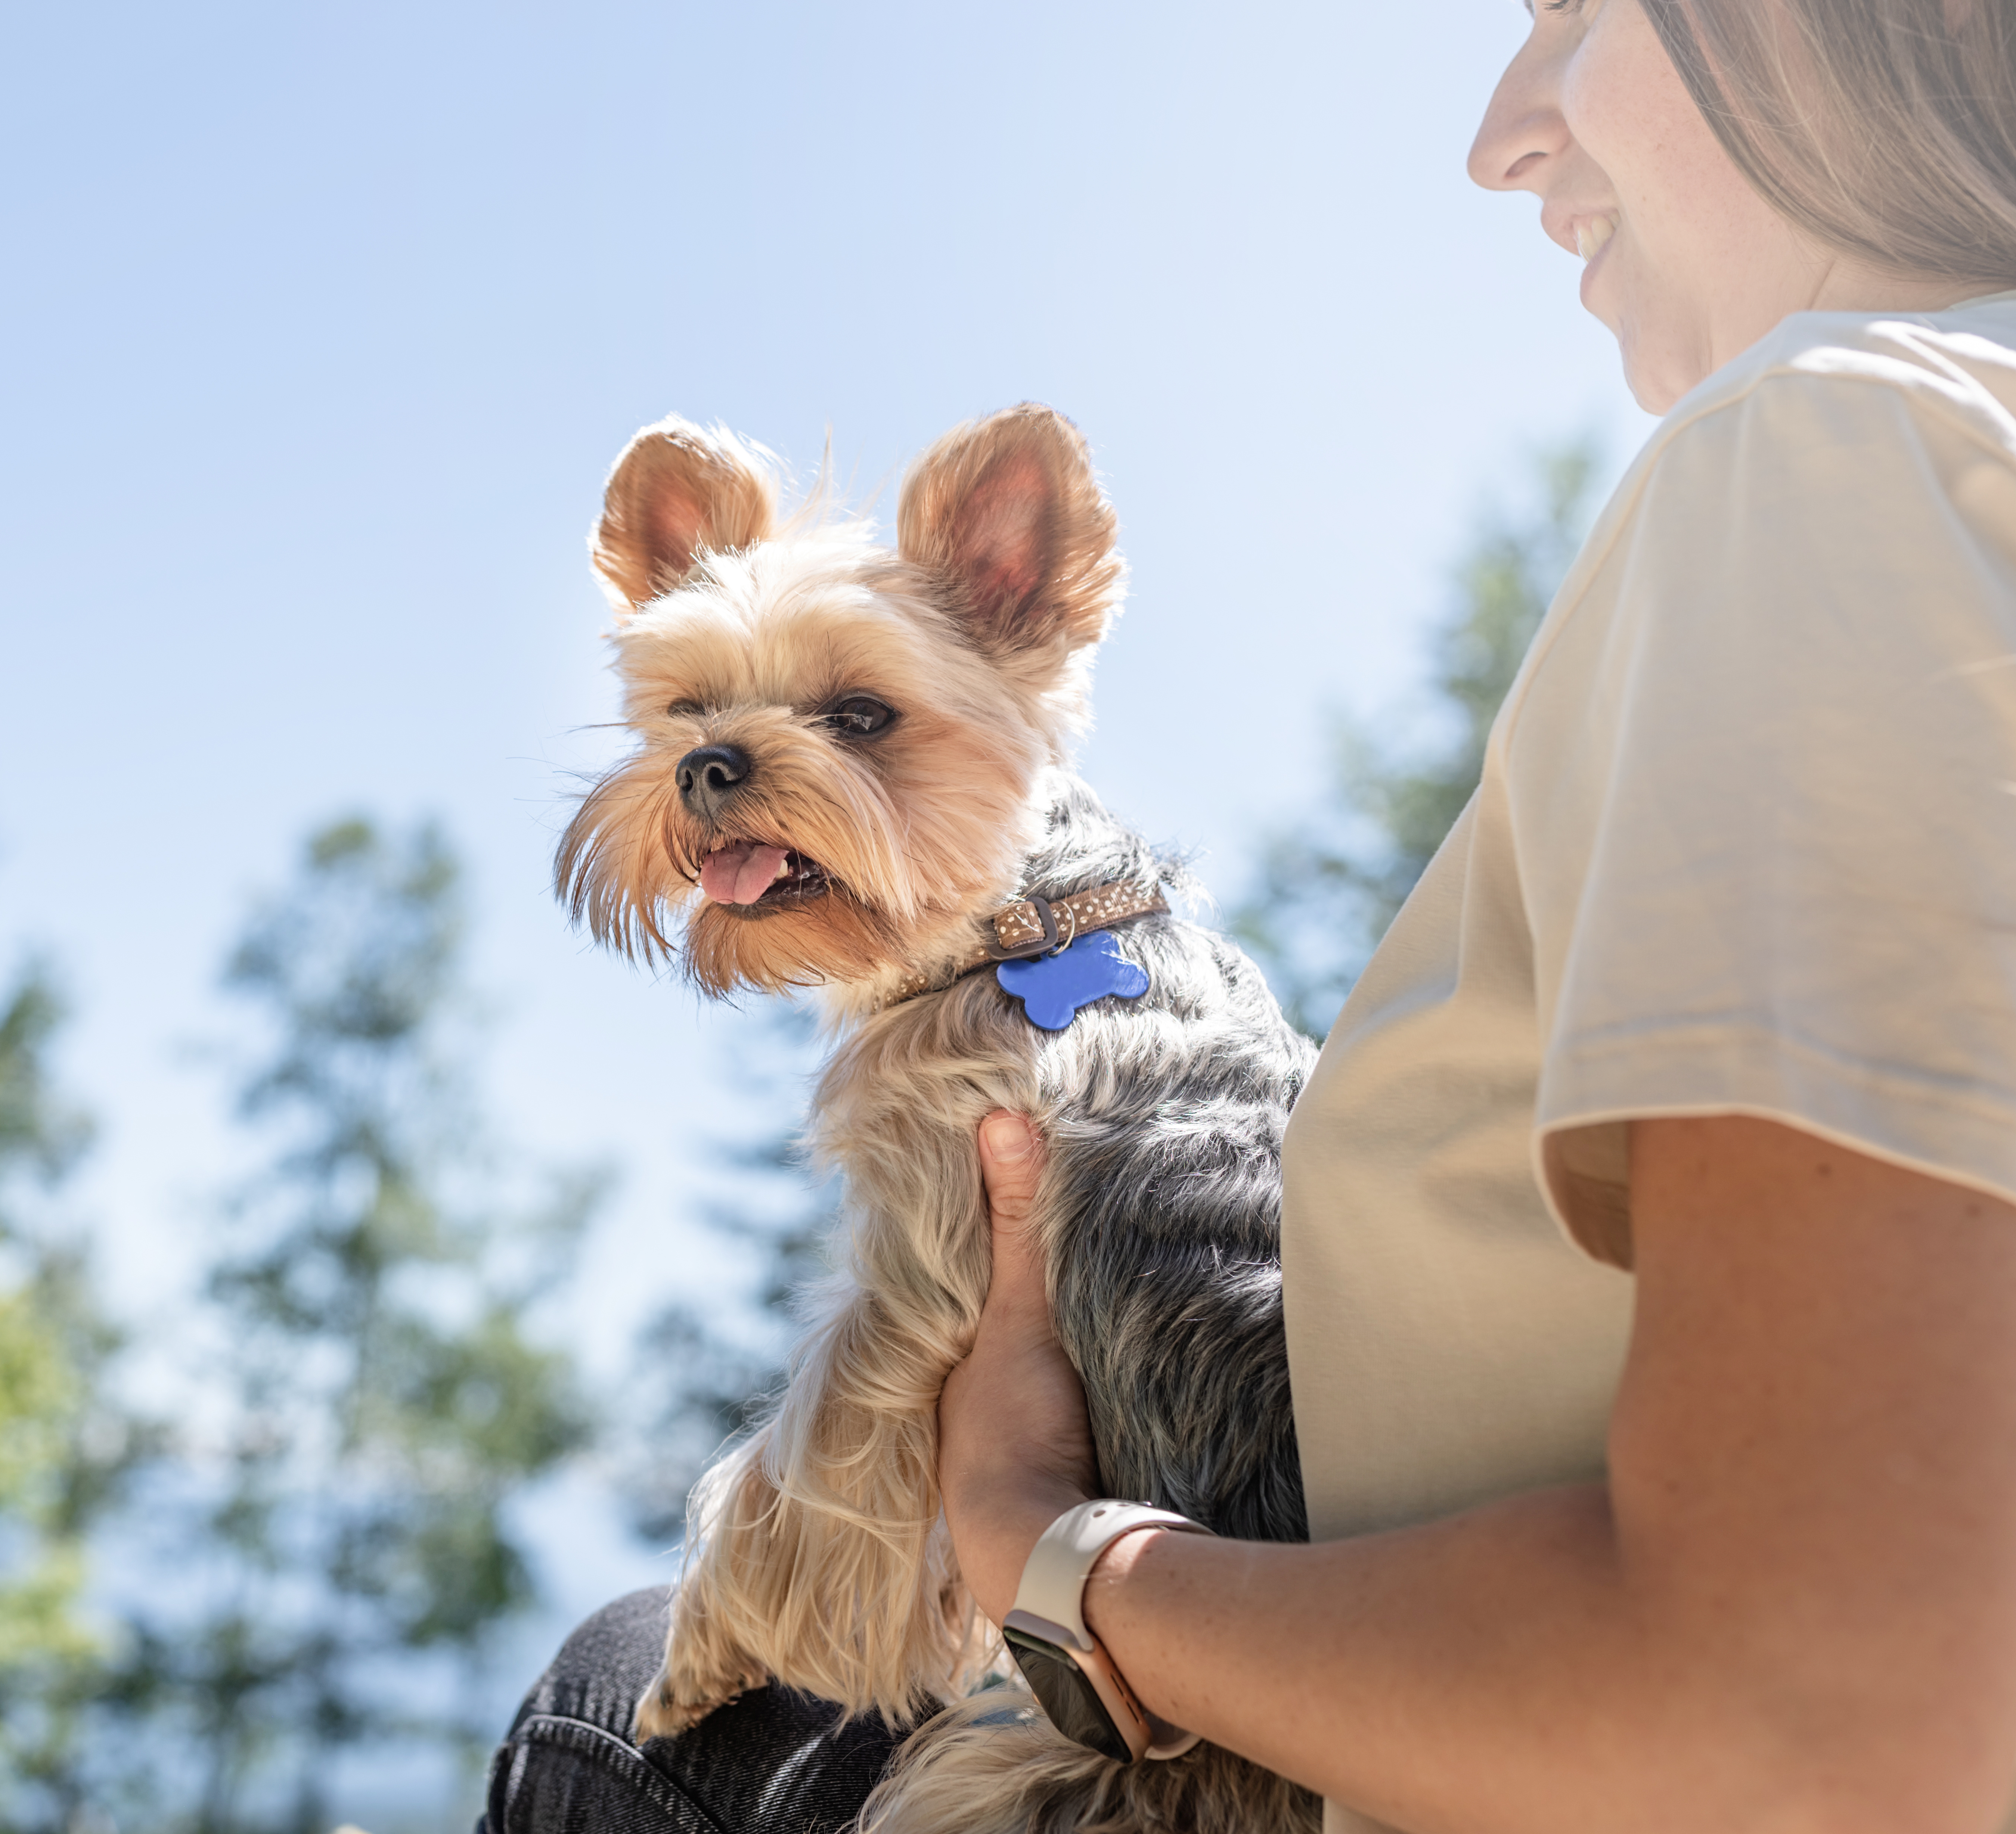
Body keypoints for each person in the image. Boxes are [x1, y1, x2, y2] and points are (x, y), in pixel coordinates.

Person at [481, 2, 2016, 1829]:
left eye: (1577, 10)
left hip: (1331, 1756)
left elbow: (1823, 1715)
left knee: (614, 1700)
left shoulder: (1843, 441)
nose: (1500, 129)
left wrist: (1050, 1557)